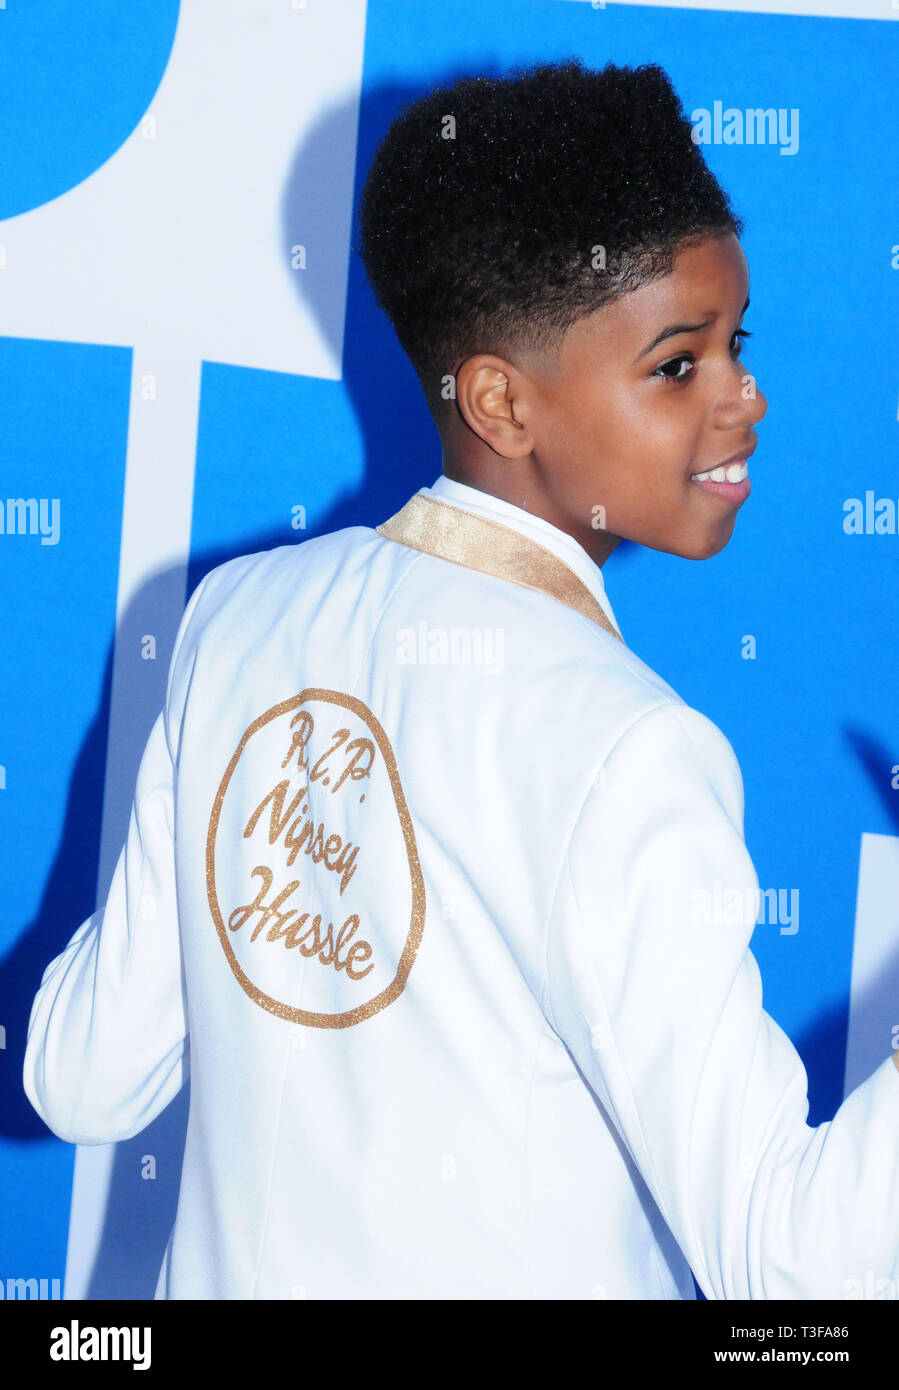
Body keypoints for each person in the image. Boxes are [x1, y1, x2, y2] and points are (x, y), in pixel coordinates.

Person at [23, 58, 899, 1300]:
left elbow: (79, 1076)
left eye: (731, 345)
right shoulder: (628, 746)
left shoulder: (237, 619)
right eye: (675, 364)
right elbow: (795, 1265)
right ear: (499, 398)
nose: (744, 398)